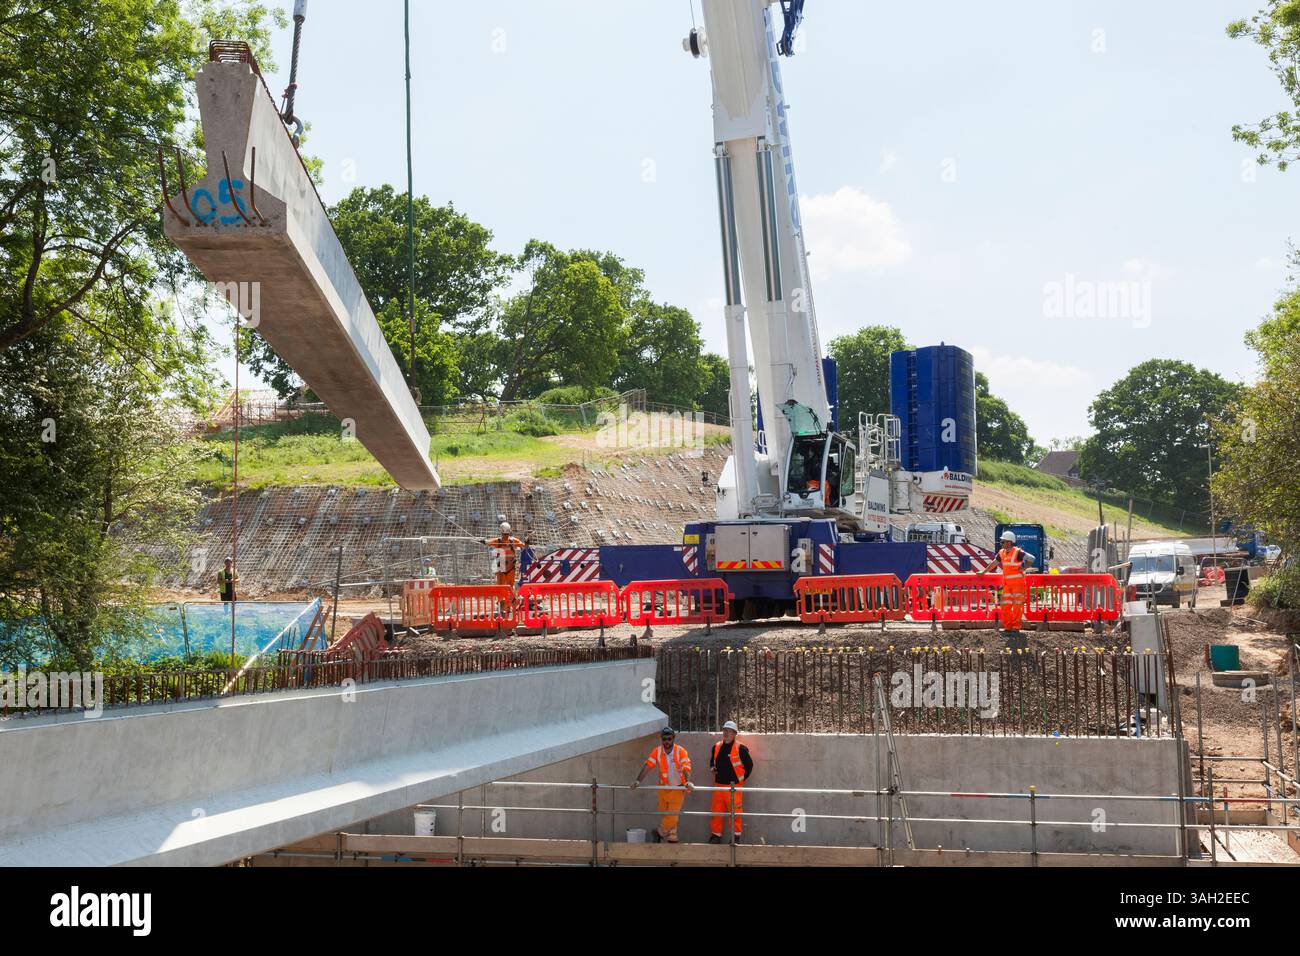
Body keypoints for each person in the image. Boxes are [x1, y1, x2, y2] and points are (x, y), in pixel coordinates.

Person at [631, 726, 694, 843]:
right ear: (661, 739)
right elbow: (648, 766)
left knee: (672, 815)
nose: (667, 742)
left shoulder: (681, 751)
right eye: (664, 739)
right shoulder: (657, 751)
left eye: (669, 739)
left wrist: (688, 781)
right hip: (663, 788)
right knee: (665, 814)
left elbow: (686, 768)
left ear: (673, 739)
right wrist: (638, 780)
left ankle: (659, 832)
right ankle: (672, 837)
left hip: (678, 788)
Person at [980, 530, 1035, 648]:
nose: (1001, 543)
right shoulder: (1002, 553)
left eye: (1003, 541)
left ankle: (1015, 628)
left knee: (1017, 606)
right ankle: (1008, 627)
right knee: (1005, 606)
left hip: (1018, 584)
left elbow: (1031, 558)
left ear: (1009, 542)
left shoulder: (1017, 552)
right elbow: (995, 562)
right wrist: (984, 572)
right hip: (1007, 585)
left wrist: (1022, 568)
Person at [708, 720, 754, 844]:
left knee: (735, 813)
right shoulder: (716, 747)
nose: (726, 733)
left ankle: (736, 837)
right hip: (719, 786)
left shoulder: (741, 749)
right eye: (725, 730)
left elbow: (749, 765)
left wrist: (741, 780)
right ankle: (716, 836)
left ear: (734, 734)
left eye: (729, 731)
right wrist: (712, 767)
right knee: (716, 812)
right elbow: (712, 761)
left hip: (734, 787)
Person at [484, 521, 527, 591]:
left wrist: (526, 543)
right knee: (500, 586)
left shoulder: (513, 541)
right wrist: (483, 541)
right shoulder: (498, 541)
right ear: (501, 533)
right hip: (501, 568)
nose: (505, 536)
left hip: (511, 568)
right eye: (504, 534)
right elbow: (488, 542)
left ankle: (510, 601)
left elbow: (523, 545)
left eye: (507, 534)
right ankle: (500, 600)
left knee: (510, 586)